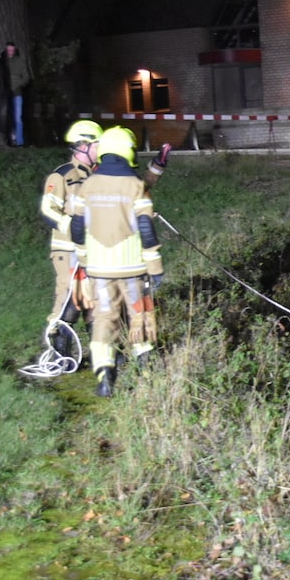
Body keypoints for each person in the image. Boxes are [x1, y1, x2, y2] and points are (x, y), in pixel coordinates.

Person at [70, 126, 165, 397]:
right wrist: (155, 268)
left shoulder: (87, 186)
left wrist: (84, 260)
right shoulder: (135, 186)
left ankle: (104, 377)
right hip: (133, 269)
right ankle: (148, 372)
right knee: (140, 315)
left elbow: (77, 227)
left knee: (103, 319)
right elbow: (146, 229)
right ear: (128, 151)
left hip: (99, 269)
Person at [40, 119, 103, 359]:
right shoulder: (62, 175)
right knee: (68, 298)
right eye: (97, 145)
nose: (100, 149)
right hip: (67, 250)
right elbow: (48, 210)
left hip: (92, 250)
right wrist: (73, 226)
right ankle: (58, 356)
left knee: (93, 299)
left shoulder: (98, 175)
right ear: (83, 146)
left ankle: (101, 355)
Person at [5, 42, 31, 146]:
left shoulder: (20, 61)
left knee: (18, 117)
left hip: (17, 92)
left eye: (12, 50)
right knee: (6, 117)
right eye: (9, 50)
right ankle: (9, 140)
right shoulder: (2, 61)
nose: (10, 52)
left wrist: (18, 84)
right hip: (5, 93)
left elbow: (26, 76)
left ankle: (19, 141)